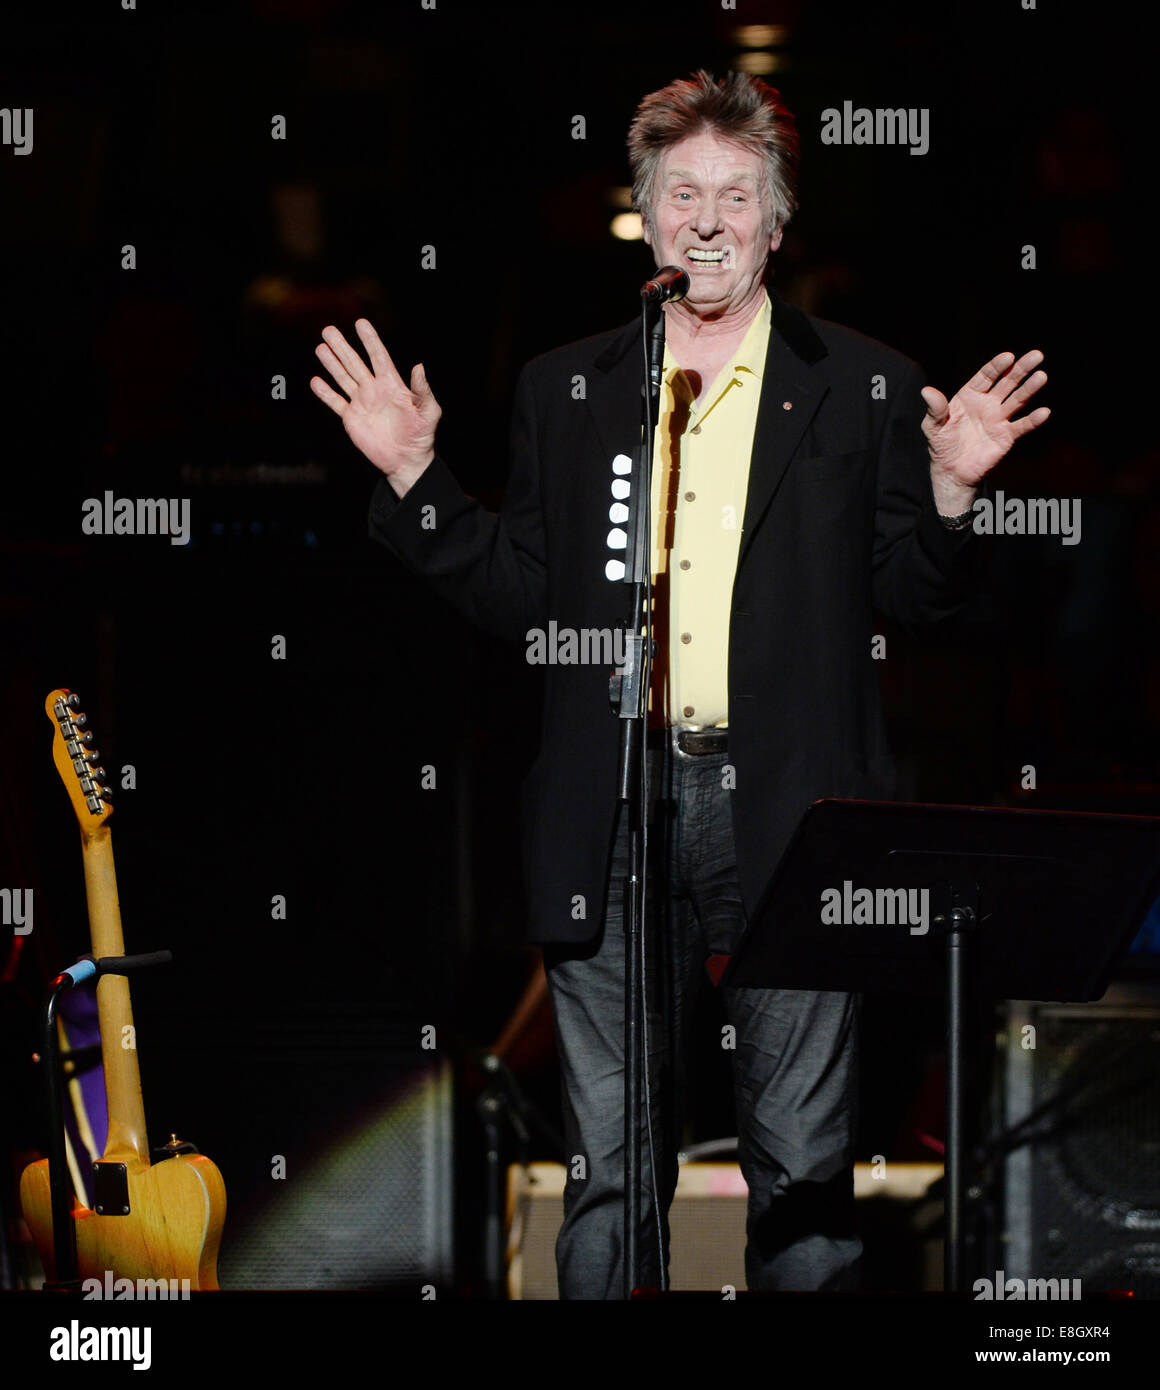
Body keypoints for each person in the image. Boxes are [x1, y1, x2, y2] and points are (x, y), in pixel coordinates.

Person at [310, 69, 1049, 1299]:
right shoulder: (568, 388)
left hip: (793, 812)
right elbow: (522, 597)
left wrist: (957, 496)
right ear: (647, 218)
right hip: (610, 806)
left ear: (774, 222)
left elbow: (920, 599)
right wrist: (414, 485)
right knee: (609, 1170)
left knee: (803, 1167)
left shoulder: (859, 384)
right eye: (681, 195)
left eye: (735, 196)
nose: (707, 220)